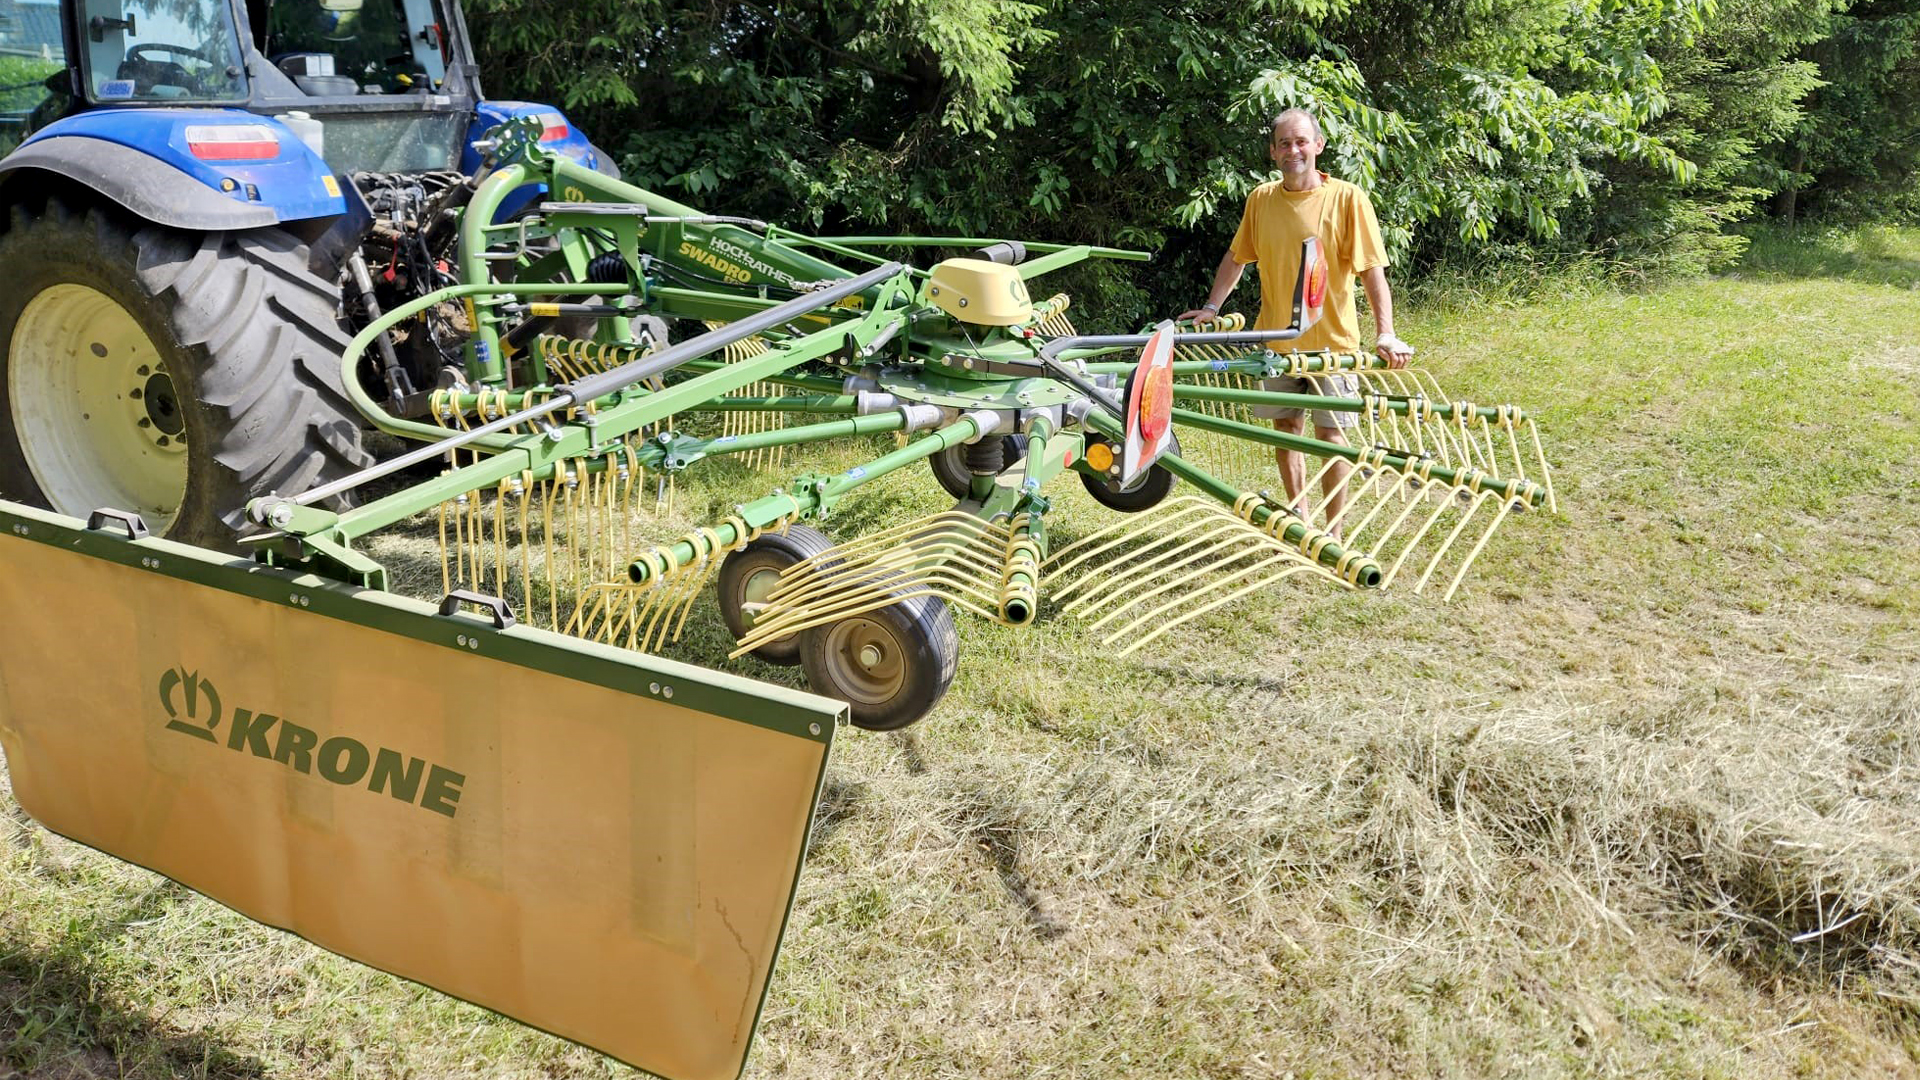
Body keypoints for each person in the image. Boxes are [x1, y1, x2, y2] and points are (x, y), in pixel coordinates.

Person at [1178, 108, 1413, 535]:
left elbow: (1371, 270)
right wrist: (1212, 307)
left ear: (1319, 146)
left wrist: (1386, 333)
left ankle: (1334, 530)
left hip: (1333, 347)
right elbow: (1237, 257)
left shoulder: (1347, 198)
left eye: (1302, 141)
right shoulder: (1262, 200)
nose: (1294, 150)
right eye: (1284, 143)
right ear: (1273, 151)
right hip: (1277, 345)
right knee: (1287, 430)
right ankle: (1300, 519)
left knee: (1332, 436)